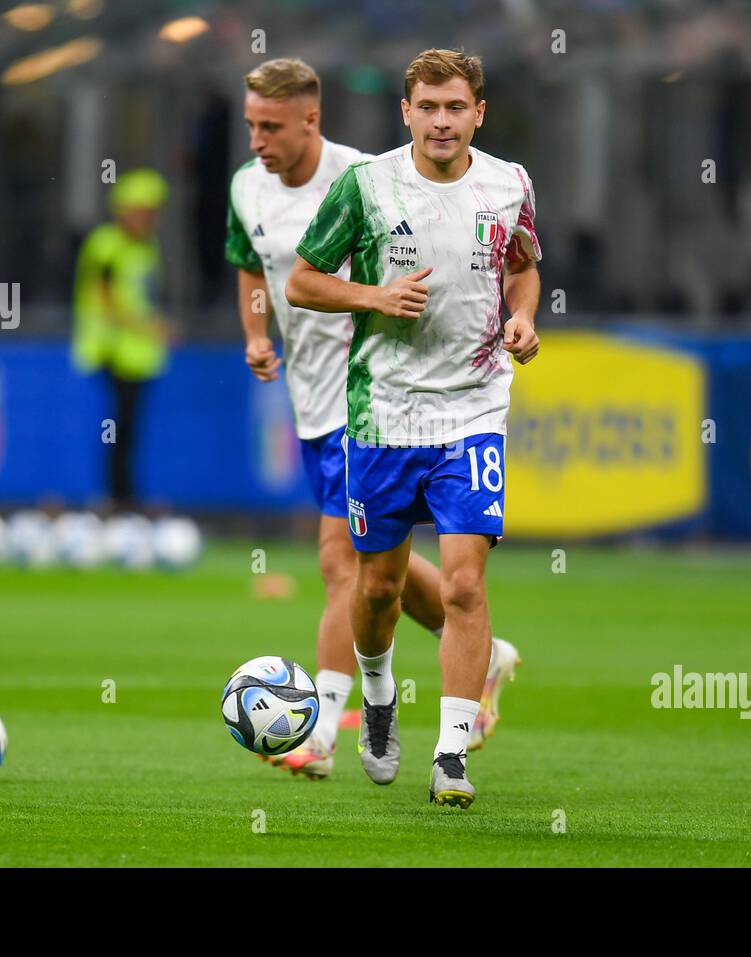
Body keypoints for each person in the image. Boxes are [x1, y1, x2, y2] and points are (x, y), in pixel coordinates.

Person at [227, 58, 521, 781]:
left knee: (343, 563)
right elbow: (254, 265)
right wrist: (257, 333)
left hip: (375, 399)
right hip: (314, 395)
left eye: (271, 126)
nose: (258, 140)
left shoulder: (367, 177)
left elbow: (490, 257)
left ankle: (324, 726)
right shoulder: (244, 187)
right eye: (251, 125)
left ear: (311, 120)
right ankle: (485, 652)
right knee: (375, 572)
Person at [71, 169, 173, 510]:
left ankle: (124, 496)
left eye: (153, 212)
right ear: (124, 210)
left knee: (129, 428)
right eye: (143, 211)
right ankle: (116, 498)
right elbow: (105, 299)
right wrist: (150, 327)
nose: (149, 218)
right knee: (116, 427)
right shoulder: (106, 245)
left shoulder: (148, 247)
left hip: (138, 354)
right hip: (110, 350)